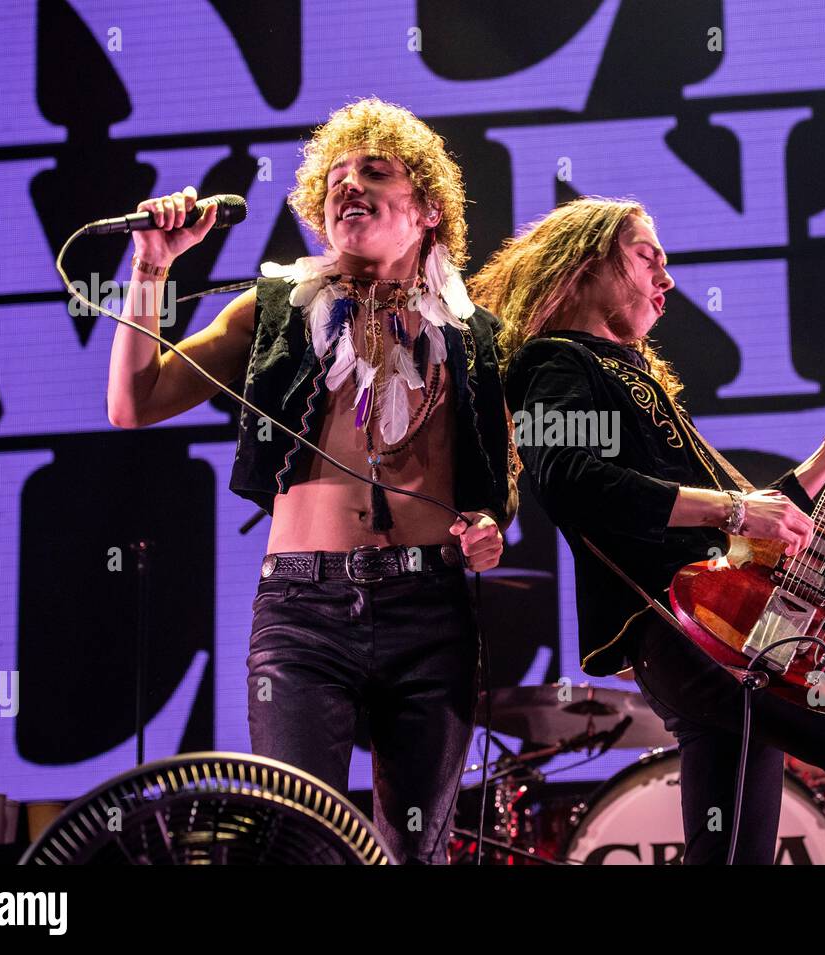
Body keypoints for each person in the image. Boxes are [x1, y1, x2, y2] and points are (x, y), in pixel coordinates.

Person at [473, 196, 825, 864]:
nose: (667, 280)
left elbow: (754, 517)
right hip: (695, 630)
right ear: (587, 261)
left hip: (719, 630)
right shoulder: (556, 362)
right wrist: (734, 511)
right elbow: (570, 478)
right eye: (648, 257)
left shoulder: (629, 371)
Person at [106, 97, 517, 864]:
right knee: (298, 843)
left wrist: (488, 529)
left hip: (430, 609)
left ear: (429, 207)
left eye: (373, 170)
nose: (346, 185)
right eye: (333, 179)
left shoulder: (475, 336)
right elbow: (133, 403)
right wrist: (153, 266)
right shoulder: (272, 314)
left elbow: (492, 484)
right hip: (303, 611)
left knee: (415, 851)